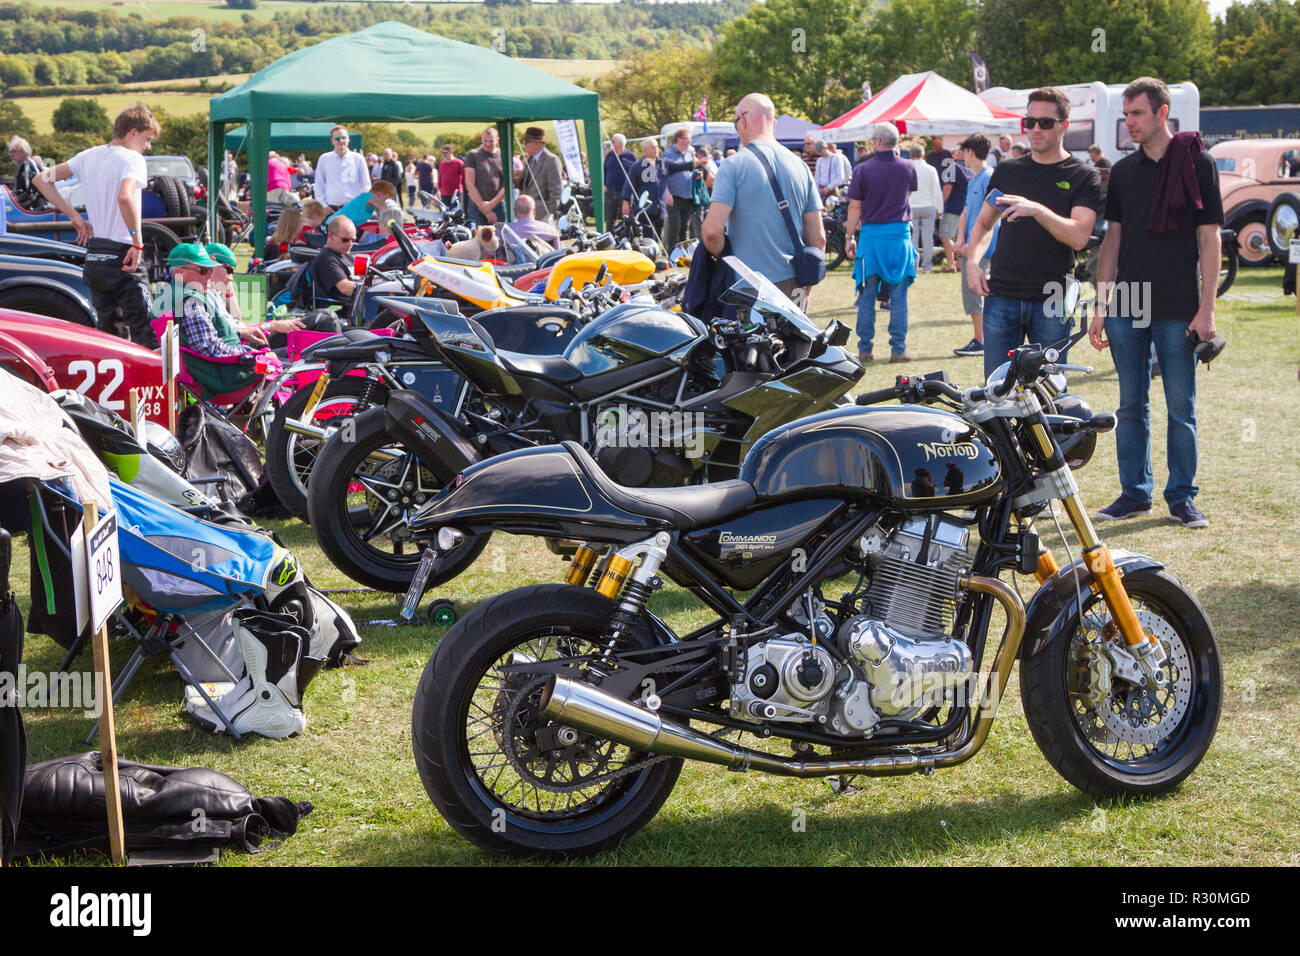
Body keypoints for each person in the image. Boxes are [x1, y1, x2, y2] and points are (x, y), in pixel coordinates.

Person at [1088, 76, 1221, 529]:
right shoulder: (1123, 172)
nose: (1129, 123)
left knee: (1180, 407)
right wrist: (1101, 304)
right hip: (1127, 303)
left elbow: (1210, 239)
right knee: (1131, 405)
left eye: (1137, 114)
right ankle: (1134, 493)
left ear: (1162, 113)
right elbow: (1112, 241)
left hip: (1179, 304)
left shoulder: (1198, 163)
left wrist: (1208, 309)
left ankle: (1182, 497)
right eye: (1125, 115)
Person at [964, 87, 1102, 380]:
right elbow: (983, 225)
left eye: (1046, 123)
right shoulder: (1007, 170)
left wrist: (1037, 210)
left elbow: (1079, 236)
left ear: (1064, 125)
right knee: (997, 391)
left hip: (1054, 298)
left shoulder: (1083, 175)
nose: (1035, 129)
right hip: (1001, 295)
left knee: (1048, 391)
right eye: (1030, 122)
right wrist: (973, 263)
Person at [31, 103, 160, 349]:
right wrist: (137, 242)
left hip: (96, 255)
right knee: (146, 332)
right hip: (124, 253)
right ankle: (156, 386)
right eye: (147, 139)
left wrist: (74, 217)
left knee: (110, 336)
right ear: (133, 132)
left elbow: (41, 179)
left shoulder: (87, 156)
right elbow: (125, 197)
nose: (148, 146)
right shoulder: (133, 159)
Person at [702, 92, 823, 306]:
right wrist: (806, 291)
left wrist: (721, 255)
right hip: (794, 287)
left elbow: (712, 232)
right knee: (794, 341)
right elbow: (818, 240)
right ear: (774, 122)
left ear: (743, 120)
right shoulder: (801, 166)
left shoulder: (733, 165)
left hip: (748, 288)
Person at [844, 122, 918, 363]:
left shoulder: (863, 169)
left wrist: (849, 237)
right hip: (898, 237)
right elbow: (906, 199)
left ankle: (865, 349)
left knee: (866, 296)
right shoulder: (908, 167)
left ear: (877, 142)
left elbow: (855, 206)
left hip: (872, 238)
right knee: (899, 298)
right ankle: (898, 349)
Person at [169, 243, 268, 397]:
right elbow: (209, 347)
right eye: (203, 270)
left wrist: (241, 335)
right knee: (283, 366)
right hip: (222, 378)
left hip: (216, 372)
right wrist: (251, 353)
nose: (209, 275)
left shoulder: (178, 293)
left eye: (210, 269)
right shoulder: (191, 301)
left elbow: (206, 341)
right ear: (180, 273)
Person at [952, 133, 999, 358]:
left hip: (983, 250)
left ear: (970, 152)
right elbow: (966, 211)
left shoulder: (990, 177)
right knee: (972, 294)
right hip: (970, 247)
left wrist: (972, 246)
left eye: (963, 152)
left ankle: (982, 340)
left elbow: (992, 217)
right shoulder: (974, 180)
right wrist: (961, 240)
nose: (962, 157)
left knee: (977, 292)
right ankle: (980, 338)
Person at [205, 242, 303, 348]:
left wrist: (229, 290)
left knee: (299, 331)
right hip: (238, 348)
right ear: (212, 261)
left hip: (243, 342)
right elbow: (227, 333)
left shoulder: (215, 291)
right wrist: (270, 325)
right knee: (298, 334)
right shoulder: (201, 295)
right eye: (229, 271)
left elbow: (237, 322)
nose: (231, 278)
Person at [623, 136, 700, 244]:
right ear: (645, 150)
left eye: (656, 147)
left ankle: (654, 254)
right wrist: (625, 202)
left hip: (660, 208)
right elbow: (628, 185)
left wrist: (696, 163)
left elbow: (680, 166)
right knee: (648, 238)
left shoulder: (664, 163)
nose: (656, 149)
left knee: (657, 236)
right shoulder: (637, 166)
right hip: (645, 208)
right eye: (652, 147)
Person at [314, 126, 369, 213]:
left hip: (354, 208)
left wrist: (360, 204)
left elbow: (366, 184)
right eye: (337, 138)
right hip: (331, 209)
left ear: (348, 139)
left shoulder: (358, 158)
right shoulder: (324, 158)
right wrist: (323, 205)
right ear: (332, 141)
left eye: (344, 137)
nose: (341, 141)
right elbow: (319, 184)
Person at [907, 144, 942, 274]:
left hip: (911, 206)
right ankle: (927, 266)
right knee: (928, 238)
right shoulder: (931, 169)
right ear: (923, 155)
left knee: (913, 238)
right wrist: (939, 208)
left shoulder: (907, 168)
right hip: (928, 206)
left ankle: (913, 266)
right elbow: (936, 190)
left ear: (911, 156)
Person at [519, 126, 564, 223]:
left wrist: (548, 211)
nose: (524, 145)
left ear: (536, 143)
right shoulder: (529, 160)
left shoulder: (551, 160)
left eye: (526, 142)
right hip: (527, 213)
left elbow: (556, 189)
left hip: (542, 214)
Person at [661, 127, 696, 251]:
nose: (690, 141)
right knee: (675, 225)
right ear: (679, 139)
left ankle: (682, 254)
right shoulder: (667, 154)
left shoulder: (689, 154)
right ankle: (671, 253)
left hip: (688, 196)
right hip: (673, 197)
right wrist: (667, 193)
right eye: (688, 139)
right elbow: (662, 176)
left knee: (684, 228)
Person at [327, 179, 403, 236]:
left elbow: (380, 213)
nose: (385, 201)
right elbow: (386, 210)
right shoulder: (369, 197)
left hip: (341, 225)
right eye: (386, 198)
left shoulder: (372, 201)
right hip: (335, 225)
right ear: (380, 193)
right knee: (373, 239)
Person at [311, 216, 359, 304]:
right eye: (345, 240)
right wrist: (372, 288)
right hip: (344, 310)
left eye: (353, 240)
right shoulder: (327, 258)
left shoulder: (348, 256)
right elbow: (344, 287)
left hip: (359, 303)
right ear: (330, 235)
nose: (350, 244)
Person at [464, 127, 506, 227]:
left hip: (498, 204)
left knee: (500, 237)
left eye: (491, 141)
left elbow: (507, 185)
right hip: (476, 205)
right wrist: (486, 210)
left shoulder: (504, 155)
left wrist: (491, 204)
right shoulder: (472, 155)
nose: (487, 144)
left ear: (497, 140)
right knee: (477, 238)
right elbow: (470, 184)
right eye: (485, 141)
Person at [603, 133, 638, 228]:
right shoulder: (610, 155)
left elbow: (636, 173)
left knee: (627, 217)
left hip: (625, 193)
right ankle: (609, 237)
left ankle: (627, 237)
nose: (611, 143)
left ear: (620, 143)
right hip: (610, 192)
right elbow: (604, 170)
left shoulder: (631, 156)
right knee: (609, 218)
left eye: (613, 141)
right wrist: (604, 184)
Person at [7, 137, 46, 209]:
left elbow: (40, 186)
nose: (11, 154)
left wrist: (21, 202)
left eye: (13, 151)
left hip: (36, 207)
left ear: (24, 151)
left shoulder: (30, 165)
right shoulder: (24, 166)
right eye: (10, 151)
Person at [690, 144, 717, 239]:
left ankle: (700, 243)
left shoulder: (705, 163)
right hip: (708, 196)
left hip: (704, 197)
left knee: (699, 223)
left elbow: (711, 177)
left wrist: (703, 188)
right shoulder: (711, 162)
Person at [437, 144, 464, 208]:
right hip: (445, 193)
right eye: (443, 153)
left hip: (456, 193)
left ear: (451, 152)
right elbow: (440, 177)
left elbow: (466, 178)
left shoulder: (459, 163)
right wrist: (438, 190)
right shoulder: (441, 164)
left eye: (446, 153)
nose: (444, 154)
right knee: (445, 214)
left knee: (454, 214)